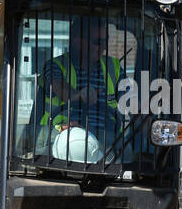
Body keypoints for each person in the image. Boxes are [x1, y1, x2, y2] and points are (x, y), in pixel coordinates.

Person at [39, 19, 123, 150]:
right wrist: (78, 94)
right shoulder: (55, 65)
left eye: (105, 41)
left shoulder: (114, 67)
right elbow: (58, 86)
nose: (104, 46)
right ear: (78, 42)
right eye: (98, 42)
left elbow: (131, 99)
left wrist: (142, 114)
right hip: (60, 135)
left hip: (105, 139)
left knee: (128, 153)